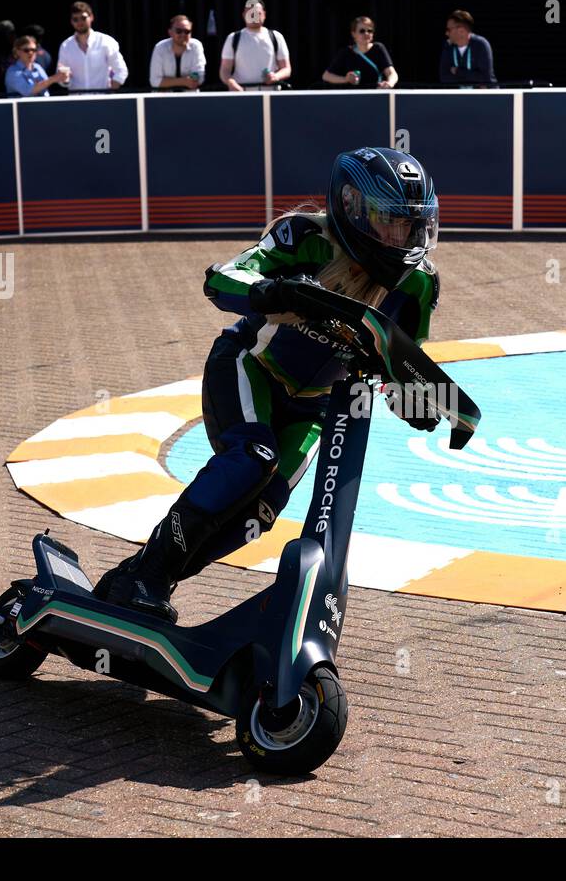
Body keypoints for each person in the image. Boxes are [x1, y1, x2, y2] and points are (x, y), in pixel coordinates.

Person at [94, 146, 442, 622]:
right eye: (390, 221)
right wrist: (271, 291)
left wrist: (417, 400)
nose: (402, 236)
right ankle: (145, 577)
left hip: (316, 409)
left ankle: (143, 577)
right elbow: (221, 280)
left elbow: (404, 360)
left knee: (260, 515)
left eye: (412, 223)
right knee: (250, 460)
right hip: (248, 365)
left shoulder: (420, 284)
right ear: (353, 209)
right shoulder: (304, 235)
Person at [220, 0, 291, 91]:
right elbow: (225, 69)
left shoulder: (276, 37)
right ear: (244, 15)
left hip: (270, 94)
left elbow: (286, 68)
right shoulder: (233, 38)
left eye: (258, 13)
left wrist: (276, 76)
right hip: (241, 94)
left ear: (264, 14)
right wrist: (231, 83)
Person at [56, 1, 128, 92]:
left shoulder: (106, 41)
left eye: (83, 18)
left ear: (91, 17)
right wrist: (64, 79)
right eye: (75, 19)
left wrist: (110, 92)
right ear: (71, 21)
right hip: (76, 102)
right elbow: (61, 78)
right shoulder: (65, 46)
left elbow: (121, 70)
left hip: (102, 100)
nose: (80, 22)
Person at [323, 16, 398, 88]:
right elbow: (326, 76)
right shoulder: (346, 52)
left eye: (370, 31)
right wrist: (346, 79)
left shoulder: (378, 48)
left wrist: (389, 83)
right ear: (353, 33)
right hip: (353, 96)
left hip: (375, 94)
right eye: (362, 31)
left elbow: (392, 73)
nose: (366, 33)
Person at [438, 9, 495, 86]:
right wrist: (471, 76)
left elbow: (484, 78)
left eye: (449, 29)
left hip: (485, 96)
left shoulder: (481, 45)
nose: (446, 33)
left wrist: (458, 71)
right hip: (459, 96)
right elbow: (444, 78)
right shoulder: (448, 46)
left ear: (461, 31)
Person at [149, 14, 206, 91]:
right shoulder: (160, 47)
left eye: (187, 31)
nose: (183, 34)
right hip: (163, 98)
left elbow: (199, 77)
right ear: (170, 32)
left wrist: (167, 81)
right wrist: (184, 81)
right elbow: (155, 81)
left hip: (190, 97)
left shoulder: (196, 46)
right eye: (179, 31)